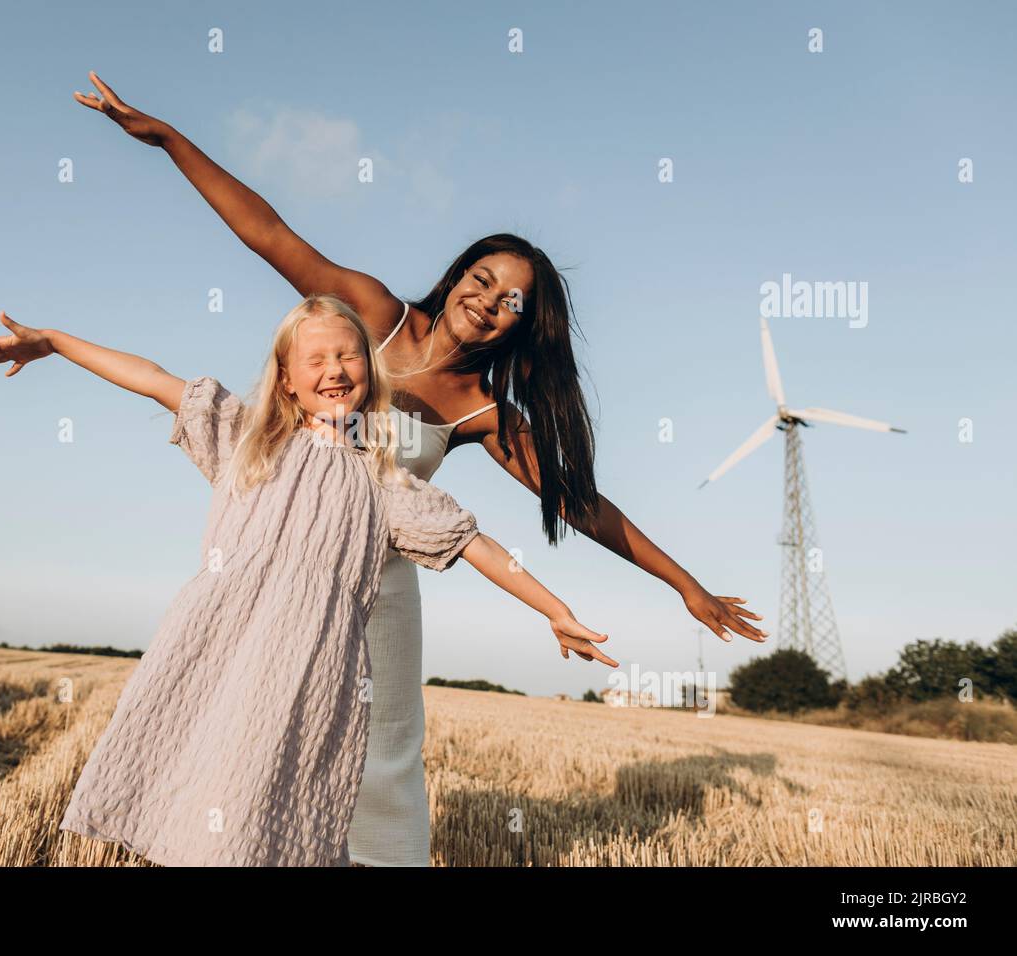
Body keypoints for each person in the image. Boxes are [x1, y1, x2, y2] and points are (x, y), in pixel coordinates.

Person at [72, 72, 767, 866]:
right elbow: (269, 234)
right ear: (458, 275)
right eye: (483, 279)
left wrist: (683, 584)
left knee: (385, 755)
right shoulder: (374, 313)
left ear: (525, 325)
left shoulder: (487, 414)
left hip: (384, 584)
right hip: (291, 558)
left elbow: (583, 505)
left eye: (512, 299)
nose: (489, 300)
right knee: (251, 717)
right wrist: (167, 140)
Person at [0, 294, 615, 866]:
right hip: (222, 646)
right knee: (203, 795)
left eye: (351, 356)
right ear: (288, 382)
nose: (336, 370)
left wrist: (554, 609)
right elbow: (153, 378)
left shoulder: (383, 480)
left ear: (370, 371)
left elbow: (475, 544)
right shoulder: (248, 437)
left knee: (271, 813)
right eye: (318, 360)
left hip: (314, 669)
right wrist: (52, 342)